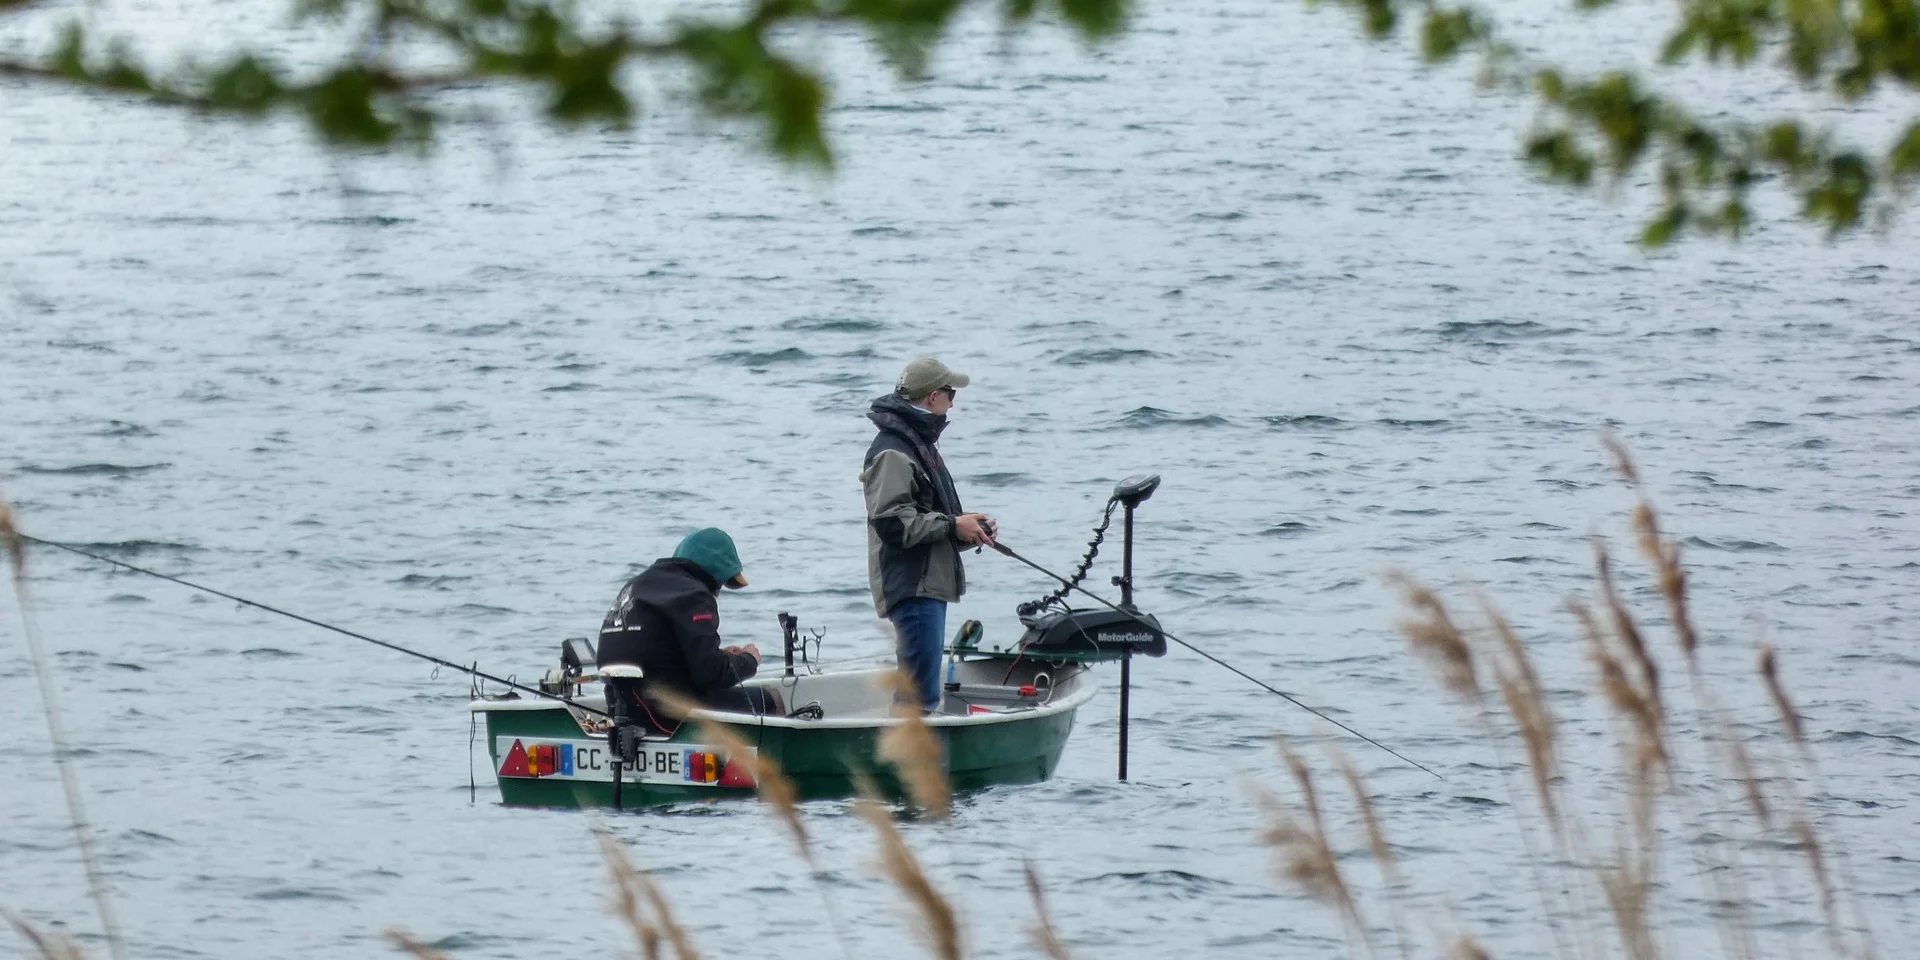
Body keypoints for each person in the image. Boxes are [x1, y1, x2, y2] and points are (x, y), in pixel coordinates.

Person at [862, 358, 999, 713]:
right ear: (934, 397)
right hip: (913, 589)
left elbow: (926, 518)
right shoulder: (894, 450)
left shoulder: (915, 443)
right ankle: (909, 764)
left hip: (923, 586)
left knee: (919, 693)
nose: (953, 402)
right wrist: (954, 525)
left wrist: (969, 531)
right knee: (918, 698)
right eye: (951, 394)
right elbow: (892, 524)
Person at [596, 527, 782, 730]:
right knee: (770, 697)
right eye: (720, 584)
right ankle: (772, 761)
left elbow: (656, 652)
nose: (717, 592)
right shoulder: (694, 594)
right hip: (669, 716)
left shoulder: (634, 587)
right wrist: (749, 660)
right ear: (713, 574)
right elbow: (710, 673)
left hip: (620, 710)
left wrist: (721, 655)